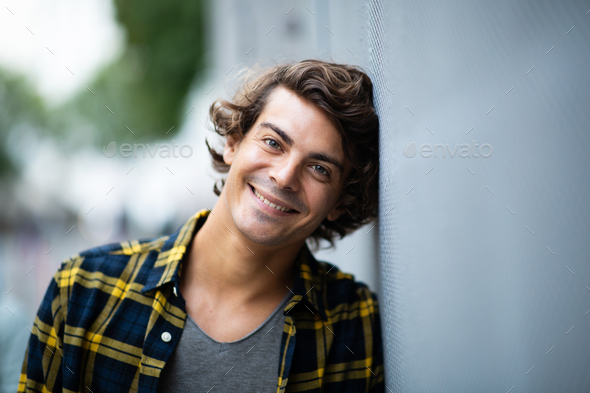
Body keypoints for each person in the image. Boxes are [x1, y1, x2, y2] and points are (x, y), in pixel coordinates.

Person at [18, 59, 384, 392]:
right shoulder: (83, 289)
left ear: (339, 202)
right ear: (233, 142)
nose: (285, 176)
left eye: (320, 168)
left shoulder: (354, 324)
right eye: (273, 143)